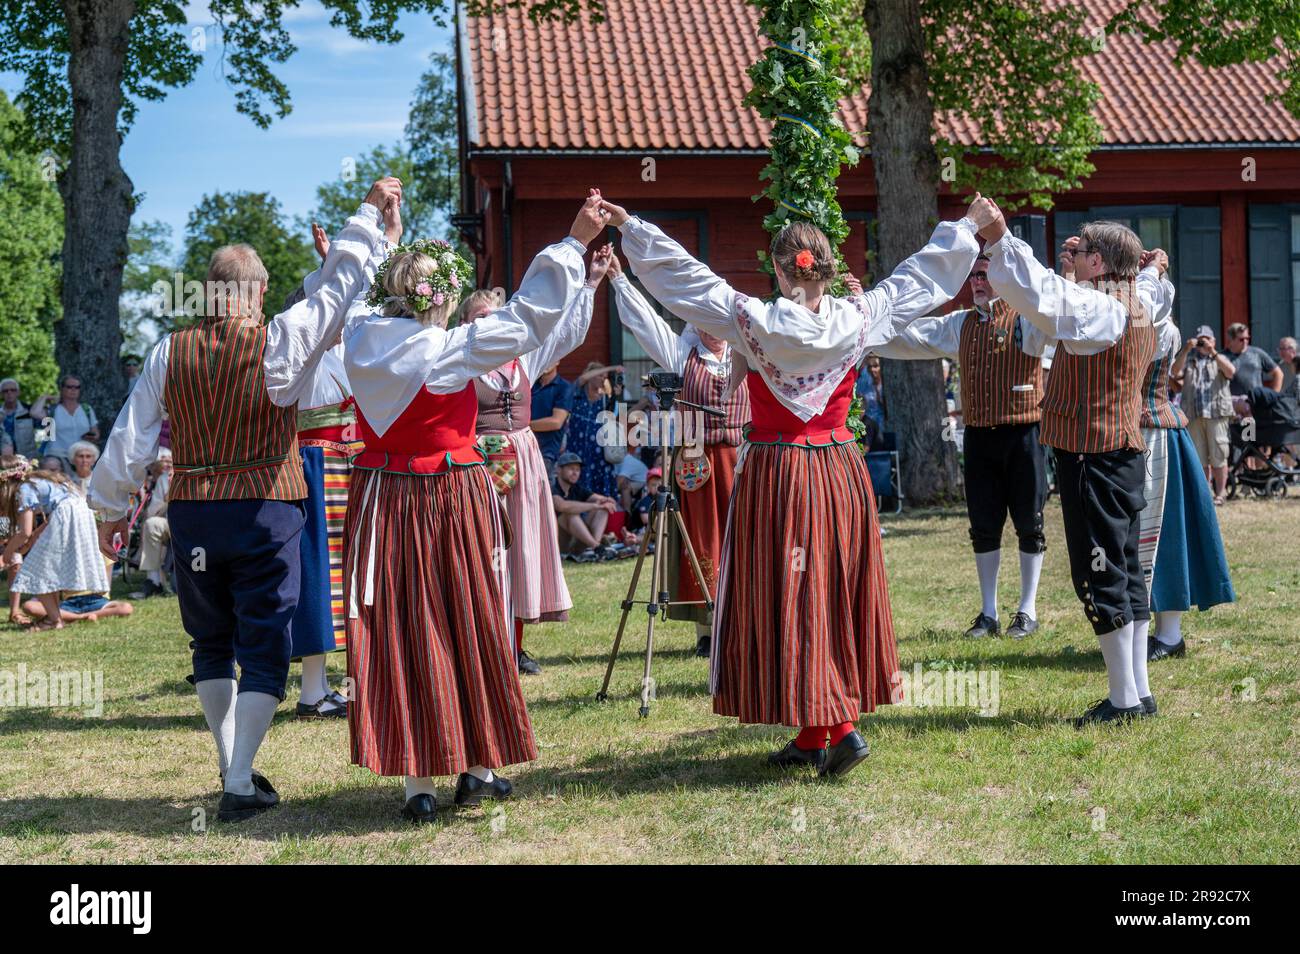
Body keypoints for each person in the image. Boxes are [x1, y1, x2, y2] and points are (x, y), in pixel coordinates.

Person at [601, 193, 986, 776]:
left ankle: (839, 727)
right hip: (838, 467)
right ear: (827, 268)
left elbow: (683, 278)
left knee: (791, 591)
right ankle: (817, 731)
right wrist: (969, 227)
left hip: (780, 470)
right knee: (828, 588)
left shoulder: (752, 320)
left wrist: (629, 226)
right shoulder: (860, 315)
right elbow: (921, 277)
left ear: (780, 270)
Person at [89, 176, 402, 822]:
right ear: (258, 292)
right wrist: (371, 220)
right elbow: (337, 292)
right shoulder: (277, 341)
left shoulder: (167, 352)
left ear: (208, 291)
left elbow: (128, 442)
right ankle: (236, 778)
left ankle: (232, 763)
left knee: (210, 640)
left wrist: (109, 513)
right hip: (265, 509)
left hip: (195, 514)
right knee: (263, 644)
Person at [342, 191, 606, 822]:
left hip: (383, 494)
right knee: (468, 611)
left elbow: (350, 293)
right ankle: (477, 768)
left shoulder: (359, 338)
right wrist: (572, 241)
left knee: (402, 624)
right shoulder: (446, 350)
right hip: (450, 493)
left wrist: (381, 229)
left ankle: (418, 783)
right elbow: (527, 317)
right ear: (439, 298)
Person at [981, 208, 1175, 727]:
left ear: (1096, 260)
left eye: (1083, 250)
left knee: (1101, 573)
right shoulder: (1142, 298)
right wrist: (1152, 265)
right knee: (1127, 569)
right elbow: (1153, 282)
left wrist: (1001, 238)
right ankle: (1137, 692)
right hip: (1124, 449)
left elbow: (1044, 297)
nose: (1075, 254)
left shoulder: (1102, 307)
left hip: (1092, 453)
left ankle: (1124, 700)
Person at [870, 253, 1049, 640]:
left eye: (983, 275)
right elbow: (914, 336)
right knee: (983, 524)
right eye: (973, 277)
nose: (976, 283)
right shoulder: (960, 324)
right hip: (980, 435)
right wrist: (865, 323)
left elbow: (1051, 328)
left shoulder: (1025, 319)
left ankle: (1027, 609)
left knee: (1028, 522)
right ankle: (988, 613)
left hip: (1023, 432)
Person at [459, 243, 610, 677]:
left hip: (523, 457)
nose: (485, 325)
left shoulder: (524, 355)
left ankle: (515, 646)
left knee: (522, 547)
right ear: (465, 324)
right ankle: (483, 645)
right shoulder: (462, 358)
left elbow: (566, 333)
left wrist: (591, 283)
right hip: (478, 459)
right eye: (477, 318)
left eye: (492, 317)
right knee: (485, 550)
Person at [609, 254, 752, 657]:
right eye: (705, 321)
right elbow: (646, 325)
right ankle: (707, 629)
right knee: (704, 540)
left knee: (742, 539)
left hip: (743, 459)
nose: (713, 331)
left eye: (718, 319)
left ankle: (744, 620)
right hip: (698, 461)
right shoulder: (682, 356)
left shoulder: (749, 352)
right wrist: (621, 281)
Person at [281, 221, 367, 719]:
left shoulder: (337, 354)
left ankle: (334, 684)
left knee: (344, 576)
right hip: (315, 468)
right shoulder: (304, 357)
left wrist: (338, 263)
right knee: (317, 573)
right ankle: (312, 689)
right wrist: (328, 267)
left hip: (344, 469)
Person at [1135, 310, 1236, 667]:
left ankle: (1170, 635)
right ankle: (1155, 631)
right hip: (1140, 434)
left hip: (1157, 434)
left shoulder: (1161, 329)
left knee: (1168, 536)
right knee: (1145, 539)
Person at [1, 455, 109, 631]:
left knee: (37, 570)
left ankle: (54, 620)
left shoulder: (23, 490)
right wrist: (30, 542)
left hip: (66, 514)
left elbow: (24, 532)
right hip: (80, 512)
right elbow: (41, 525)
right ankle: (54, 619)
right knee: (46, 570)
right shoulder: (38, 482)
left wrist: (8, 554)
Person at [1171, 325, 1235, 503]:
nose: (1203, 343)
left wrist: (1212, 351)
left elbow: (1231, 372)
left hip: (1216, 414)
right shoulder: (1189, 359)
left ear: (1213, 341)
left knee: (1219, 455)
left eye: (1207, 339)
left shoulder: (1219, 358)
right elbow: (1174, 373)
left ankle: (1220, 494)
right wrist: (1185, 349)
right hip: (1194, 415)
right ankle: (1204, 493)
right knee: (1199, 457)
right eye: (1200, 340)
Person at [566, 361, 621, 499]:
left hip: (598, 455)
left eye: (605, 376)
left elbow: (613, 419)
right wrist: (612, 367)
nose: (603, 378)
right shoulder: (576, 394)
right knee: (576, 489)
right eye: (600, 375)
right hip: (576, 450)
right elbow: (581, 379)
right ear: (591, 376)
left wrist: (615, 396)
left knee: (599, 492)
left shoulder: (606, 400)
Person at [551, 451, 618, 559]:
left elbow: (599, 499)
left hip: (577, 539)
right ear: (559, 469)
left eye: (577, 469)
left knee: (602, 509)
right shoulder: (552, 486)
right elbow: (562, 506)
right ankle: (596, 546)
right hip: (559, 542)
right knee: (570, 514)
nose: (575, 473)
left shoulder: (576, 488)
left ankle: (595, 548)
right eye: (571, 468)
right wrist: (594, 506)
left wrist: (606, 500)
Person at [32, 375, 99, 472]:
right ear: (62, 389)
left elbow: (95, 432)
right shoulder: (53, 409)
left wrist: (92, 437)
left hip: (81, 459)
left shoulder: (86, 409)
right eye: (69, 387)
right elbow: (34, 413)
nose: (73, 390)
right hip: (58, 457)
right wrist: (46, 397)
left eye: (77, 387)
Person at [132, 449, 172, 599]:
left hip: (195, 523)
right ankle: (153, 581)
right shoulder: (164, 479)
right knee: (151, 524)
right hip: (170, 523)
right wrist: (168, 501)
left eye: (170, 460)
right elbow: (152, 512)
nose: (168, 463)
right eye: (165, 460)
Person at [530, 364, 574, 479]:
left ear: (558, 360)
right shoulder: (530, 384)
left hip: (547, 453)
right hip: (525, 448)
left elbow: (556, 422)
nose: (547, 361)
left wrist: (523, 426)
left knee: (541, 493)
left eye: (551, 357)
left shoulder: (564, 387)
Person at [1224, 323, 1282, 395]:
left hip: (1256, 401)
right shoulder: (1222, 357)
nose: (1245, 341)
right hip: (1231, 402)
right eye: (1241, 339)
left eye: (1247, 338)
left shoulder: (1257, 353)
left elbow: (1278, 373)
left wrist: (1273, 396)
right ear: (1231, 340)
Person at [1, 379, 37, 459]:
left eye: (13, 390)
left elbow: (48, 425)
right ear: (1, 394)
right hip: (2, 461)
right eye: (5, 391)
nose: (9, 393)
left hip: (27, 460)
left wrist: (43, 450)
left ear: (18, 392)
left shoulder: (29, 411)